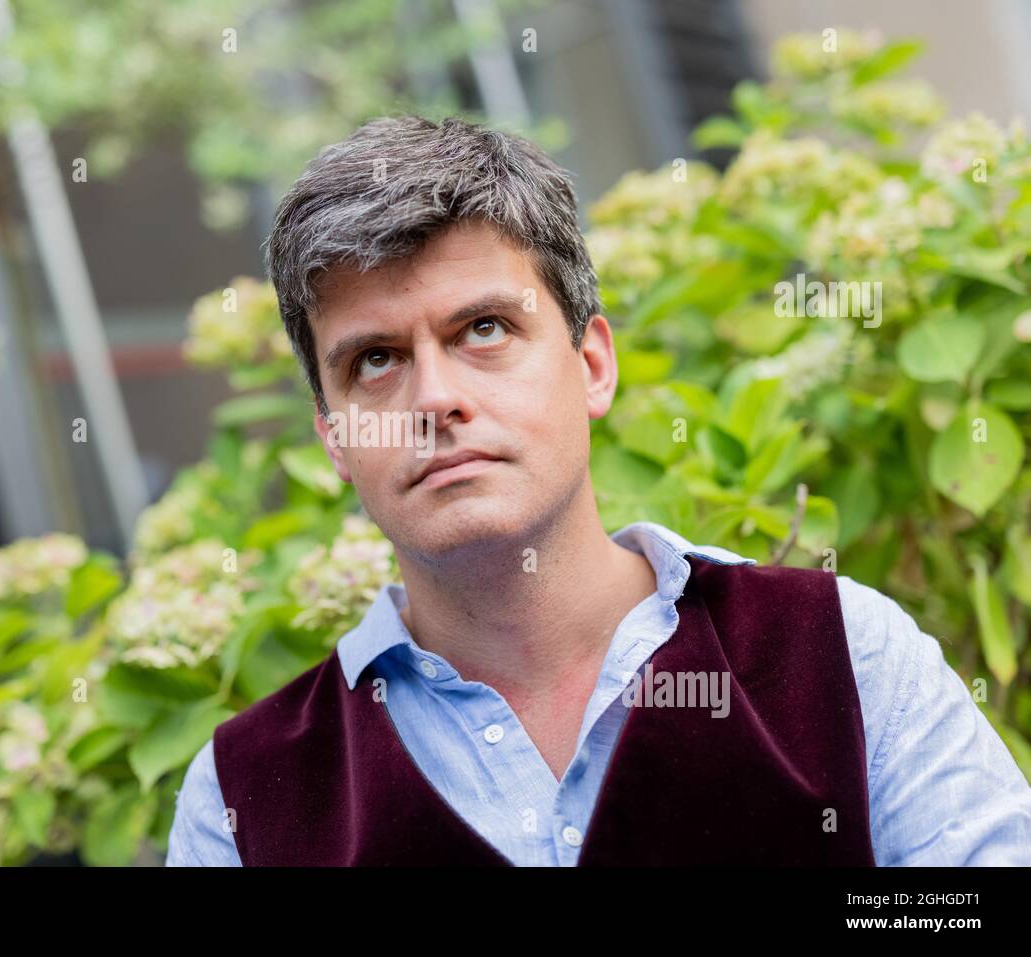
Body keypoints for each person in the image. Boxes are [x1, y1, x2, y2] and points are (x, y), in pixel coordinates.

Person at [166, 115, 1031, 866]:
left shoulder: (847, 652)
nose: (435, 399)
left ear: (592, 365)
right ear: (335, 438)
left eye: (485, 328)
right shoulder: (239, 801)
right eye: (376, 359)